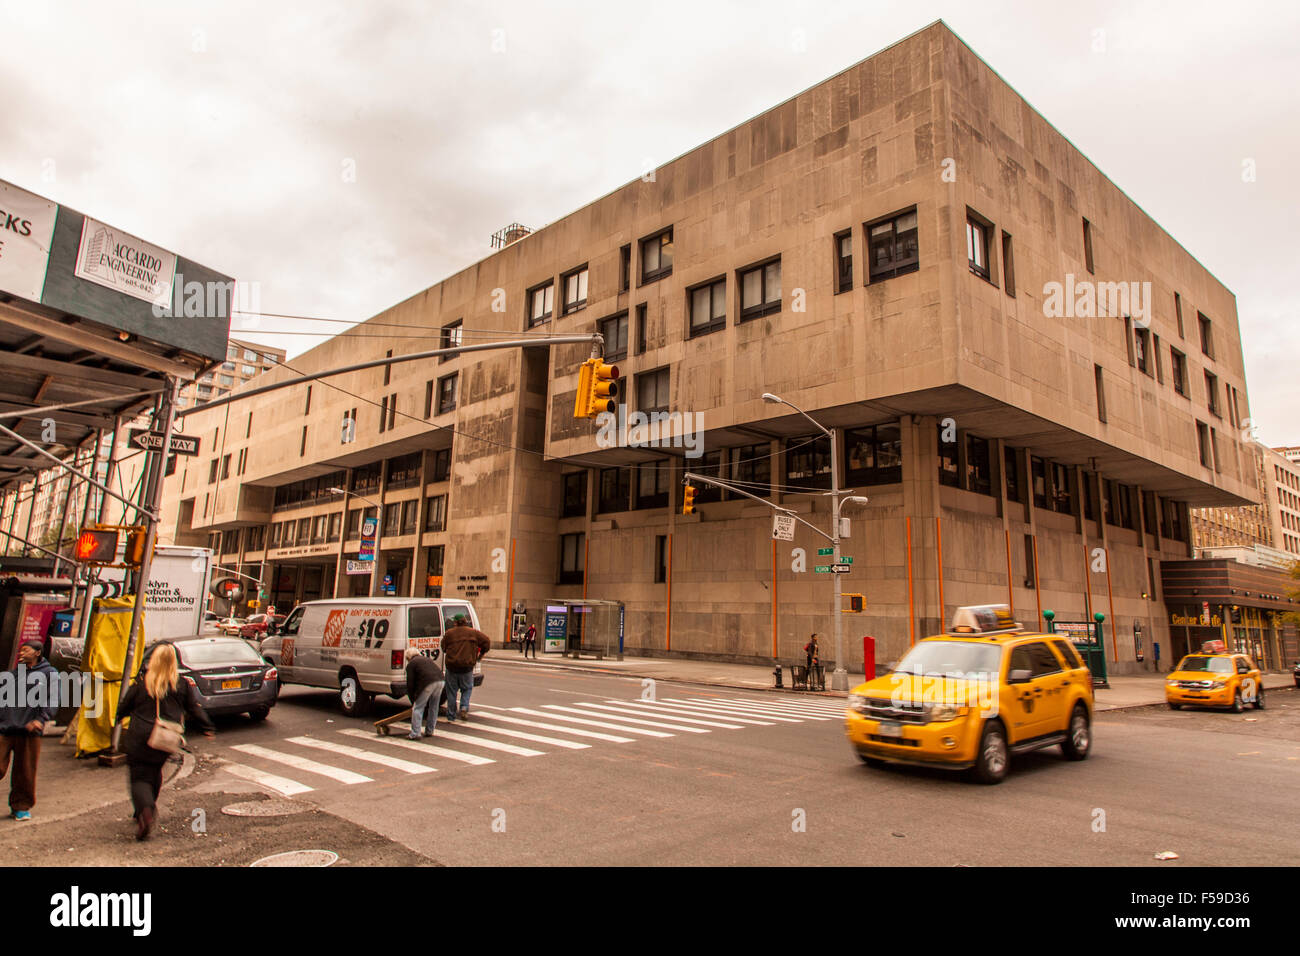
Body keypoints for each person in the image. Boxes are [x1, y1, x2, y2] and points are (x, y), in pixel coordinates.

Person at [115, 643, 215, 840]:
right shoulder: (181, 684)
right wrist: (207, 727)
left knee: (139, 778)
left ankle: (145, 810)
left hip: (140, 736)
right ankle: (145, 808)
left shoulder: (142, 683)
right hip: (166, 737)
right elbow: (194, 708)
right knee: (154, 772)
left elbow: (125, 706)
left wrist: (119, 717)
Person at [0, 639, 57, 821]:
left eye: (26, 650)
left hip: (29, 731)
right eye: (21, 651)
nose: (22, 653)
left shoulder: (49, 674)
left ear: (37, 653)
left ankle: (21, 807)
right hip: (6, 728)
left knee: (25, 772)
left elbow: (53, 699)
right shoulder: (14, 674)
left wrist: (41, 719)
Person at [441, 615, 490, 721]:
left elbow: (443, 647)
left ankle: (451, 715)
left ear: (455, 623)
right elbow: (486, 641)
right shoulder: (473, 633)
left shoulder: (449, 633)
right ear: (465, 622)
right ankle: (464, 707)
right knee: (467, 689)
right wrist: (481, 654)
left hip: (452, 667)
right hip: (467, 667)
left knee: (451, 692)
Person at [404, 649, 445, 740]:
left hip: (428, 683)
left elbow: (410, 684)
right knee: (434, 707)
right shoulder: (427, 659)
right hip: (441, 681)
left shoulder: (412, 664)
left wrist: (413, 700)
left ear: (408, 658)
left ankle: (415, 733)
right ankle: (430, 730)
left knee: (418, 708)